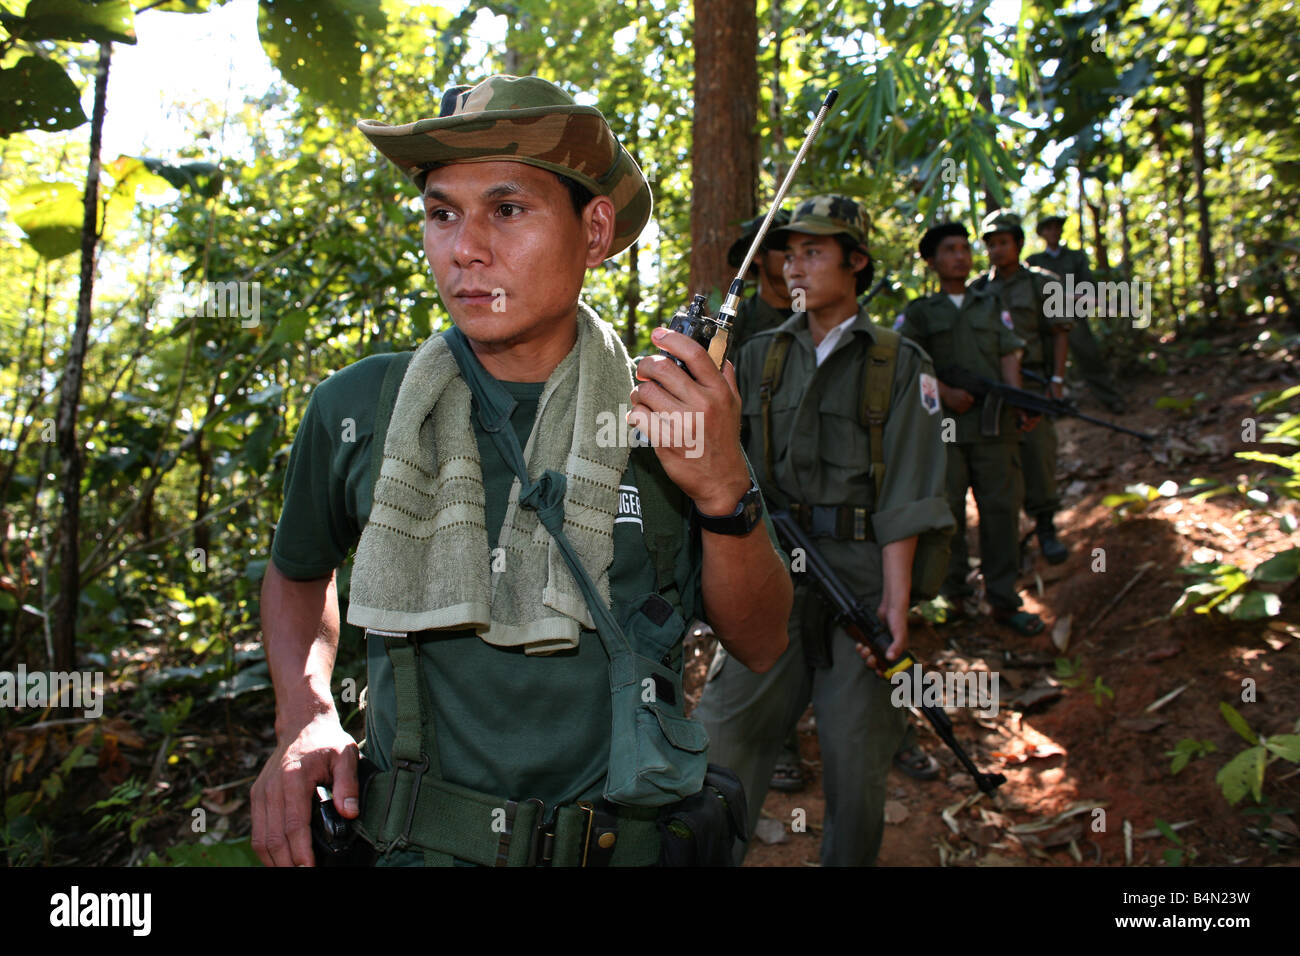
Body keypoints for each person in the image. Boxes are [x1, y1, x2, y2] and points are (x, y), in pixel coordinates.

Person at [250, 75, 792, 868]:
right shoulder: (364, 406)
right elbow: (298, 574)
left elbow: (764, 640)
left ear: (595, 230)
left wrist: (722, 487)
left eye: (506, 210)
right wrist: (303, 714)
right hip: (409, 847)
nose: (465, 247)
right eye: (442, 213)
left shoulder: (667, 418)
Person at [693, 195, 954, 865]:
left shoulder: (900, 361)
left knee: (854, 760)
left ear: (855, 261)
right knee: (721, 742)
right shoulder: (757, 356)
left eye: (814, 250)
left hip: (860, 579)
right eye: (790, 251)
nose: (794, 264)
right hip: (771, 569)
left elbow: (910, 489)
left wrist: (895, 605)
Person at [896, 222, 1044, 635]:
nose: (960, 256)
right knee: (948, 515)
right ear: (931, 261)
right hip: (944, 432)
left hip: (994, 429)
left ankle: (1003, 599)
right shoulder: (923, 312)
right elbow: (905, 362)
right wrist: (942, 390)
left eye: (964, 248)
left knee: (1000, 513)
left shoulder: (990, 303)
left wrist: (1017, 400)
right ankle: (952, 596)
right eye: (949, 250)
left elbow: (1010, 352)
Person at [971, 211, 1073, 566]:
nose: (997, 250)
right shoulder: (977, 290)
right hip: (991, 391)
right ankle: (1007, 542)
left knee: (1038, 455)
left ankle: (1045, 527)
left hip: (1033, 384)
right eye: (991, 244)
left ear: (1017, 244)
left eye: (1003, 242)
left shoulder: (1044, 283)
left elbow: (1060, 333)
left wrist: (1056, 382)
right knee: (999, 464)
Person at [1026, 214, 1126, 413]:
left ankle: (1110, 399)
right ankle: (1054, 406)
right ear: (1042, 233)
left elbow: (1087, 288)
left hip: (1074, 318)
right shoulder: (1034, 261)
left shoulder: (1076, 257)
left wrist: (1069, 296)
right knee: (1050, 366)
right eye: (1049, 228)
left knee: (1090, 359)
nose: (1053, 232)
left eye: (1057, 227)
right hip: (1047, 323)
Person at [727, 210, 794, 351]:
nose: (793, 254)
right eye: (782, 245)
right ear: (757, 255)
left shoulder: (820, 315)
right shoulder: (732, 324)